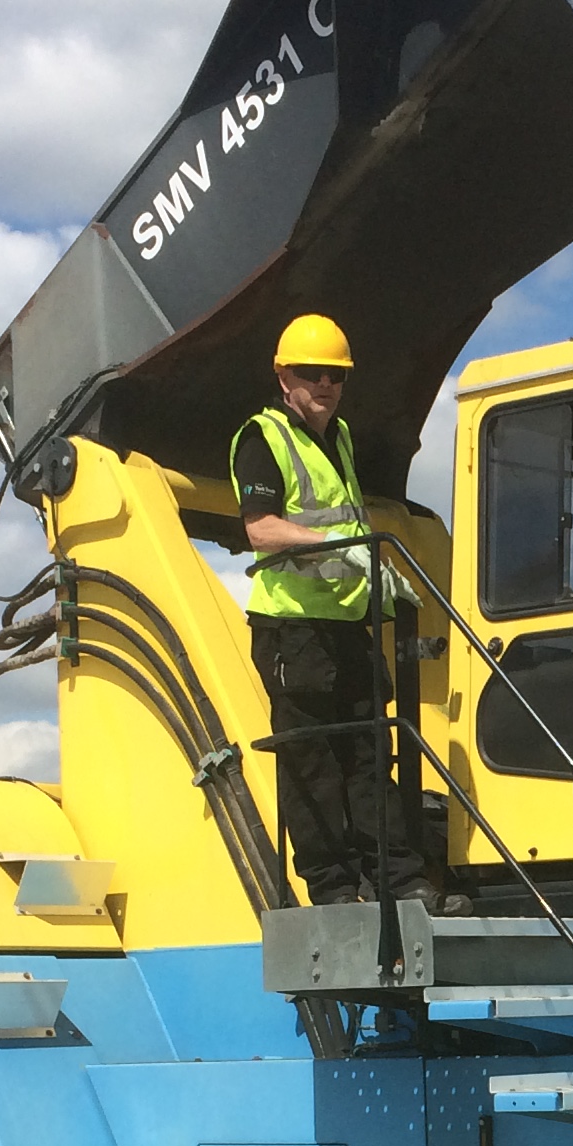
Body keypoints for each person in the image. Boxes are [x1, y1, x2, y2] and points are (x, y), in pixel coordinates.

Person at [234, 314, 429, 908]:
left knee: (372, 753)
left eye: (336, 376)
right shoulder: (261, 437)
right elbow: (261, 529)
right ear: (283, 375)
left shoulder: (338, 436)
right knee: (311, 760)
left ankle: (399, 881)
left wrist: (379, 574)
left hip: (349, 622)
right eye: (314, 373)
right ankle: (334, 887)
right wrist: (344, 550)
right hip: (293, 629)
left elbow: (344, 517)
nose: (326, 385)